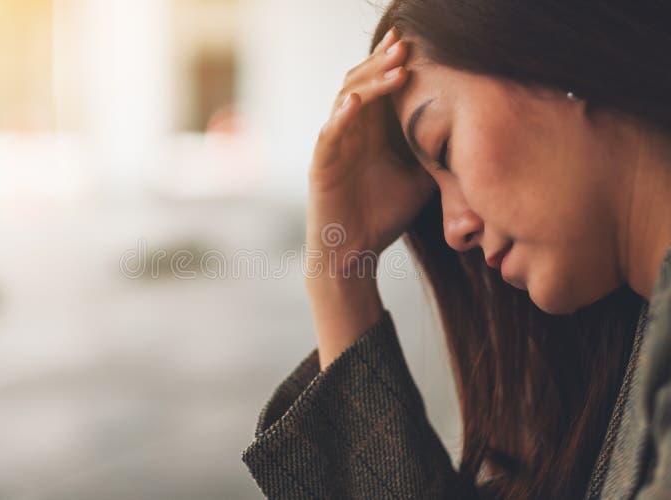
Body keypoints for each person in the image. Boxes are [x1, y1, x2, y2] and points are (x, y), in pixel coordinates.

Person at [241, 1, 671, 499]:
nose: (453, 230)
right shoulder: (630, 373)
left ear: (564, 58)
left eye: (443, 149)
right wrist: (341, 270)